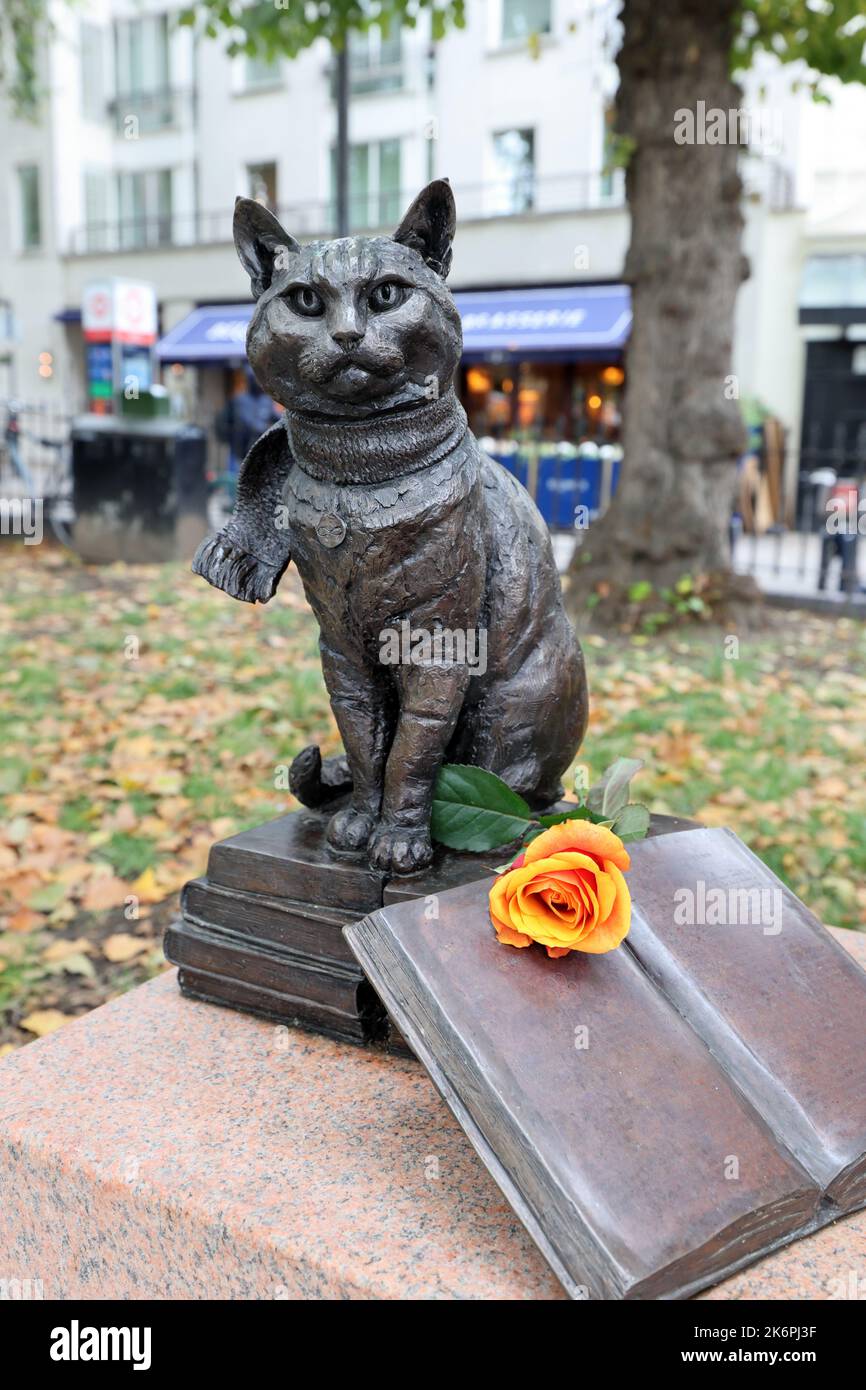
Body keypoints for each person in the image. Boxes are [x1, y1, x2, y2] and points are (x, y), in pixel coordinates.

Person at [215, 368, 280, 473]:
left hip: (260, 450)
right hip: (239, 451)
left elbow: (277, 419)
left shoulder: (266, 401)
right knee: (237, 481)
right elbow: (223, 421)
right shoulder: (238, 401)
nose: (257, 383)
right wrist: (229, 438)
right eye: (254, 379)